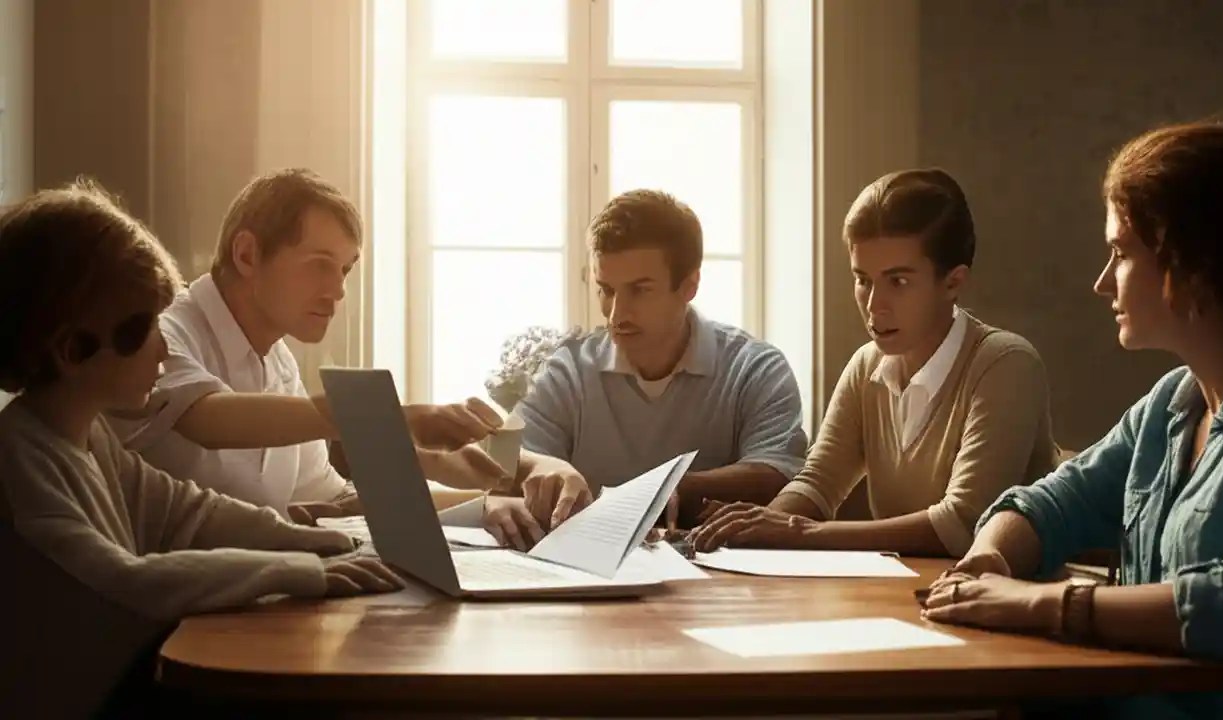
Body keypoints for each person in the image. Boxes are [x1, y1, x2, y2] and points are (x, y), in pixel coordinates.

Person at [922, 123, 1223, 719]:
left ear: (1190, 263)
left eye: (1119, 252)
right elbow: (1048, 503)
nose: (1099, 281)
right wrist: (990, 561)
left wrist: (1044, 605)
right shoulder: (1172, 404)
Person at [0, 180, 402, 624]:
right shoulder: (19, 462)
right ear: (73, 349)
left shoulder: (90, 439)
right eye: (146, 326)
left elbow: (187, 511)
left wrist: (309, 541)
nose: (163, 349)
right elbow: (124, 580)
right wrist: (299, 570)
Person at [108, 169, 577, 536]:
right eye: (319, 266)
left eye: (346, 271)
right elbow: (206, 419)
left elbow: (340, 501)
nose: (337, 291)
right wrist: (395, 417)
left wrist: (490, 508)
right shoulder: (162, 331)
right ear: (247, 255)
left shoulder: (278, 362)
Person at [690, 169, 1057, 557]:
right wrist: (755, 531)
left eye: (897, 281)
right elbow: (817, 482)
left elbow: (963, 524)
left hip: (1000, 601)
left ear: (953, 282)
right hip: (903, 594)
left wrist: (800, 533)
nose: (873, 305)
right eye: (863, 279)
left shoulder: (1005, 364)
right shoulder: (867, 365)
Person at [489, 189, 808, 546]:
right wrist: (543, 467)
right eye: (606, 290)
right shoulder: (568, 370)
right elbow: (509, 460)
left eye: (640, 290)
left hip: (719, 581)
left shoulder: (755, 368)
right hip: (585, 571)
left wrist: (664, 489)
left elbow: (777, 473)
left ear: (689, 286)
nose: (616, 314)